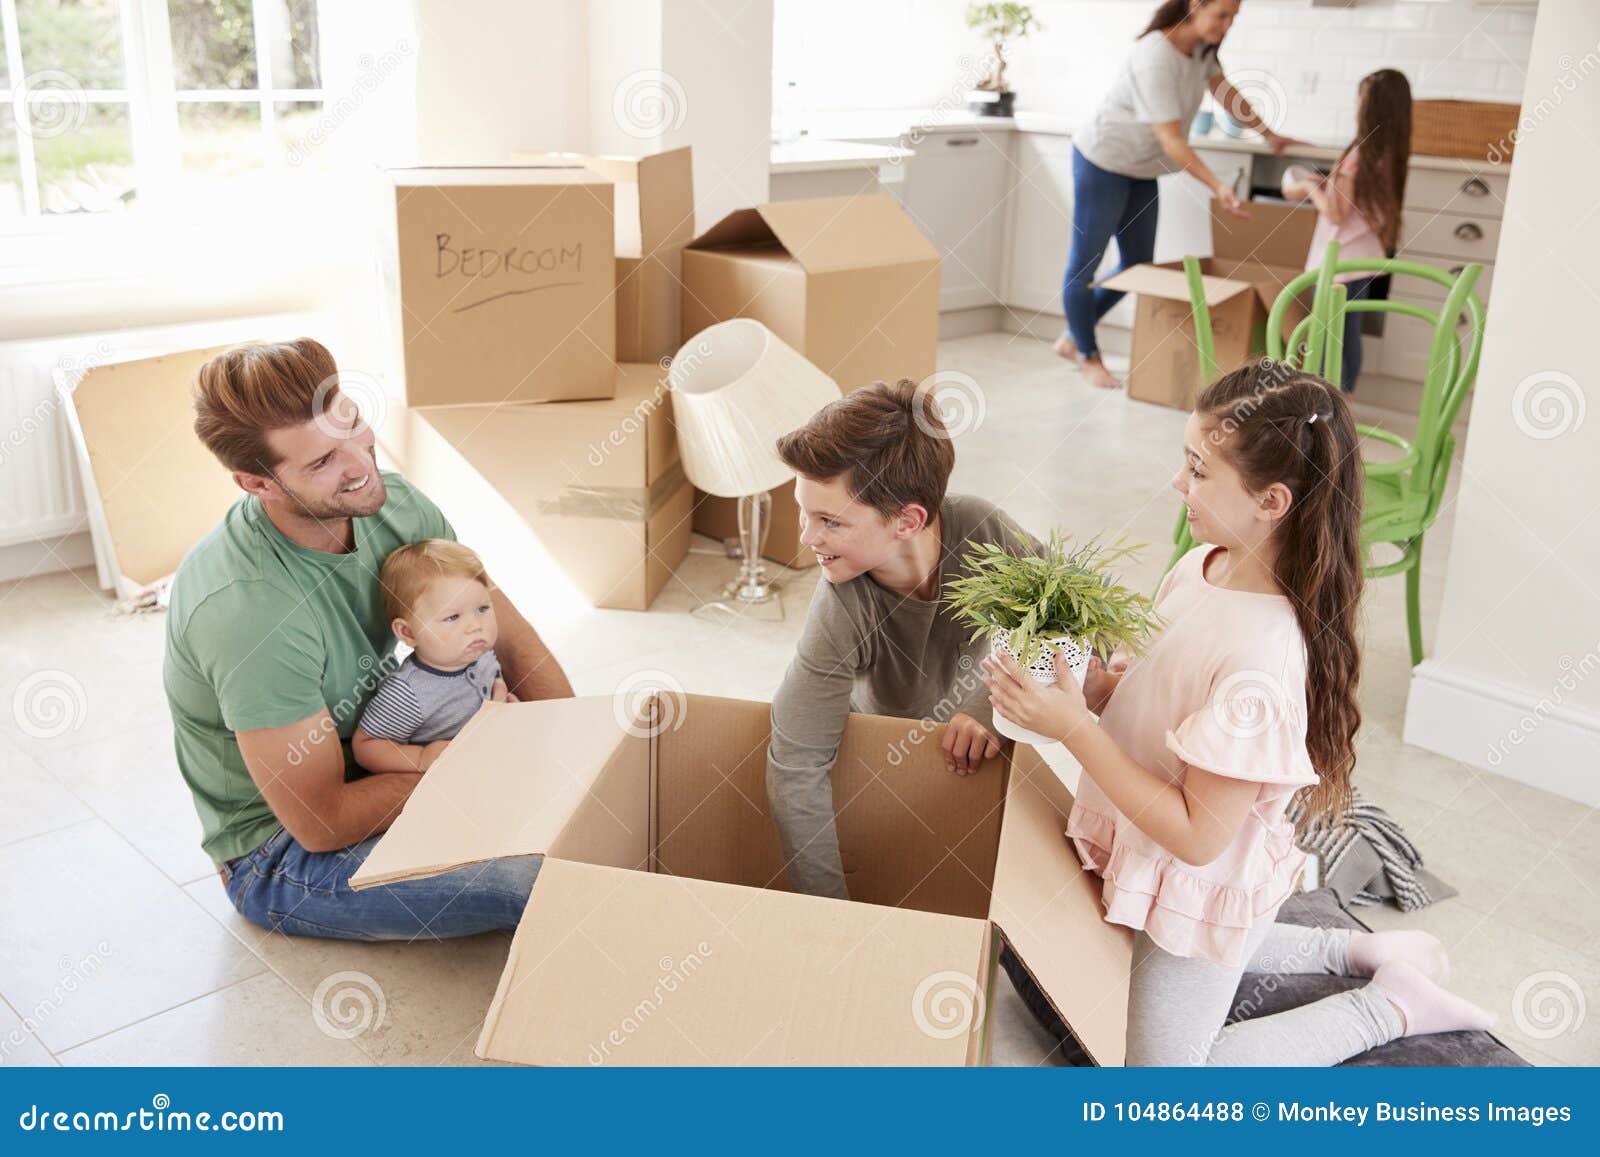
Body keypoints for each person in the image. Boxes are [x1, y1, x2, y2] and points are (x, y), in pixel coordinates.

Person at [982, 360, 1494, 1065]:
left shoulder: (1263, 659)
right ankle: (1352, 946)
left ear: (1271, 501)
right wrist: (1099, 694)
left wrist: (1073, 729)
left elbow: (1198, 839)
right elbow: (1165, 695)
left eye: (1198, 469)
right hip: (1155, 851)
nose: (1177, 483)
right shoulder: (1203, 564)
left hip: (1196, 874)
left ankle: (1392, 1003)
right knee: (1195, 940)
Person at [164, 338, 573, 941]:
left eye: (352, 424)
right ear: (257, 484)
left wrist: (571, 751)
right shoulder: (245, 613)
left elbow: (502, 630)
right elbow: (321, 822)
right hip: (283, 852)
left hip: (390, 760)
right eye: (322, 462)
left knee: (595, 822)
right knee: (550, 877)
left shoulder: (391, 504)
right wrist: (466, 762)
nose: (359, 463)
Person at [765, 380, 1044, 901]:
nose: (807, 537)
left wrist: (992, 709)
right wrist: (832, 915)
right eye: (804, 512)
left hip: (968, 762)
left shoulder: (982, 530)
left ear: (908, 520)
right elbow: (797, 765)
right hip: (880, 761)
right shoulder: (842, 603)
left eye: (830, 521)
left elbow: (1066, 619)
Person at [1060, 0, 1304, 390]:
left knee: (1139, 264)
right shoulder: (1155, 56)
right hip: (1104, 160)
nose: (1227, 26)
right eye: (1221, 15)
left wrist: (1269, 134)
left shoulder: (1202, 51)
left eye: (1233, 18)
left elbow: (1227, 95)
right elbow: (1171, 139)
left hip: (1142, 169)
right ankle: (1087, 354)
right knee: (1084, 264)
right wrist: (1217, 186)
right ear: (1195, 6)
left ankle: (1075, 333)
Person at [1284, 69, 1413, 392]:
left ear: (1370, 107)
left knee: (1327, 335)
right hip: (1362, 260)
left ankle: (1329, 405)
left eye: (1360, 99)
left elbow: (1337, 213)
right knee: (1348, 333)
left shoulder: (1358, 155)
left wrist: (1309, 188)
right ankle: (1346, 398)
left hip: (1338, 263)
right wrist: (1327, 185)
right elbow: (1359, 204)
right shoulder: (1390, 154)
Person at [352, 540, 513, 774]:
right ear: (408, 632)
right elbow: (366, 746)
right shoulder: (407, 693)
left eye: (482, 609)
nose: (476, 626)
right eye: (452, 617)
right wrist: (421, 757)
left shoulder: (479, 651)